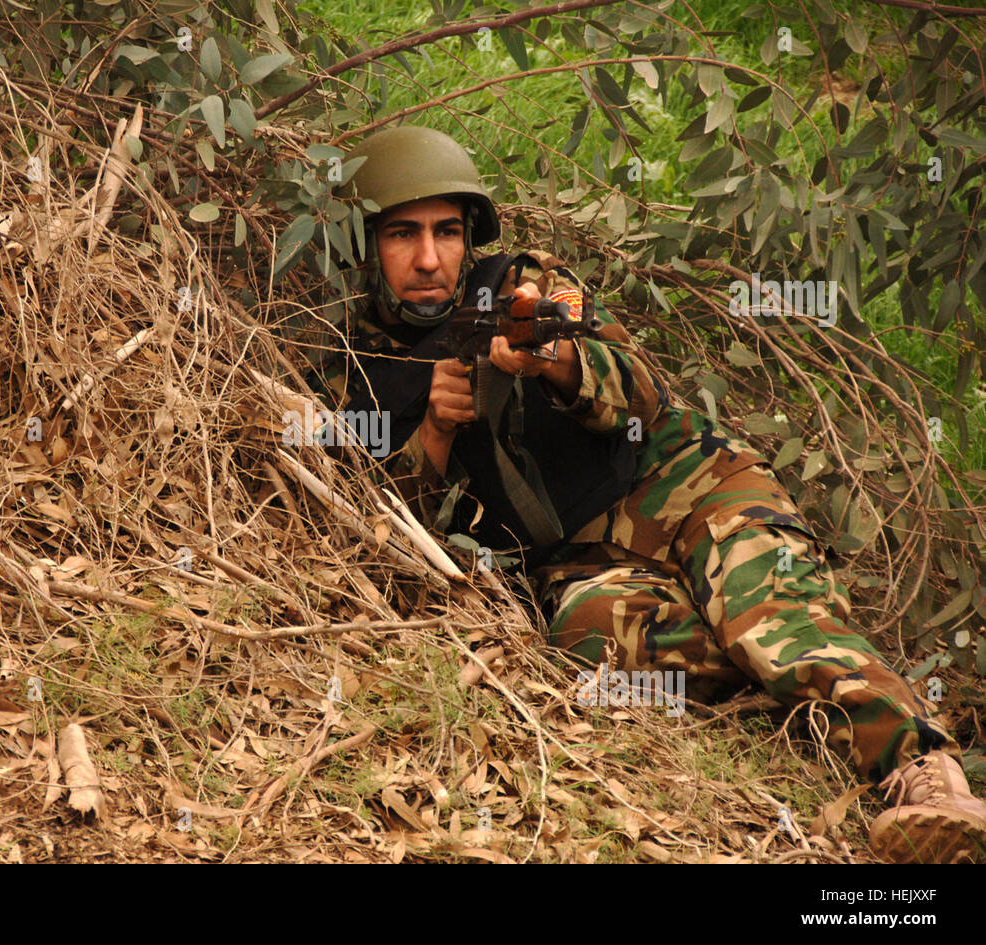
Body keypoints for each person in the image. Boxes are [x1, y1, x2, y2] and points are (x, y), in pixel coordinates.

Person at [307, 124, 986, 862]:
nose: (430, 258)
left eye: (446, 232)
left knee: (771, 611)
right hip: (583, 560)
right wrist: (435, 427)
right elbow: (383, 533)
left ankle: (927, 774)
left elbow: (640, 395)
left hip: (691, 489)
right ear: (365, 243)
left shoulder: (525, 283)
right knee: (591, 642)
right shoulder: (357, 364)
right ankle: (790, 692)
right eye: (403, 235)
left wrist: (557, 360)